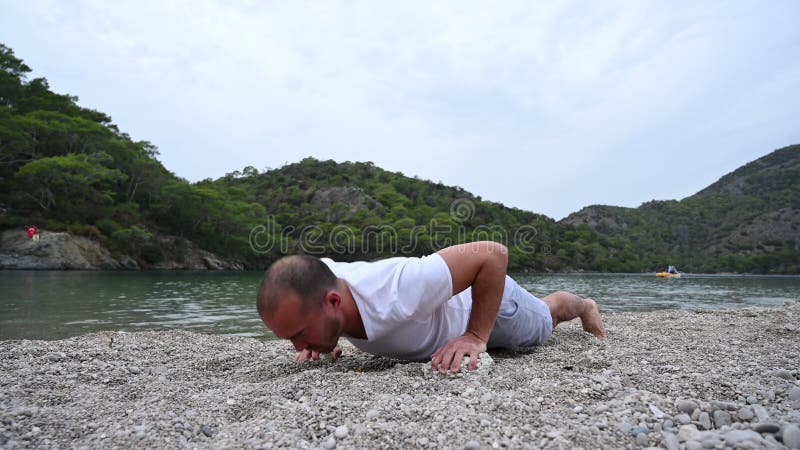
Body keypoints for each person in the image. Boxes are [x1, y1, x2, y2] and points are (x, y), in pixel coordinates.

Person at [256, 241, 606, 374]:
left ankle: (584, 305)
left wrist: (474, 335)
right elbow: (307, 269)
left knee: (547, 317)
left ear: (333, 303)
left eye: (299, 335)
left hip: (490, 307)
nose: (297, 347)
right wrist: (316, 340)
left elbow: (492, 254)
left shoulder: (399, 288)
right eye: (291, 338)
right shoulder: (322, 285)